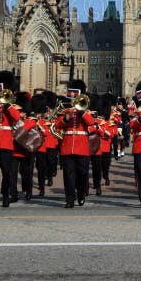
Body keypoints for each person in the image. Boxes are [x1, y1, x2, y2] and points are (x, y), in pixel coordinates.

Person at [55, 80, 95, 208]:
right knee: (68, 174)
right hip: (67, 146)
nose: (74, 102)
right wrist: (67, 116)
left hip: (82, 147)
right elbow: (58, 125)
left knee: (82, 174)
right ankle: (70, 199)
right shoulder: (66, 111)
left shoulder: (86, 111)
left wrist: (81, 111)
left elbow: (90, 123)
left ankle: (81, 193)